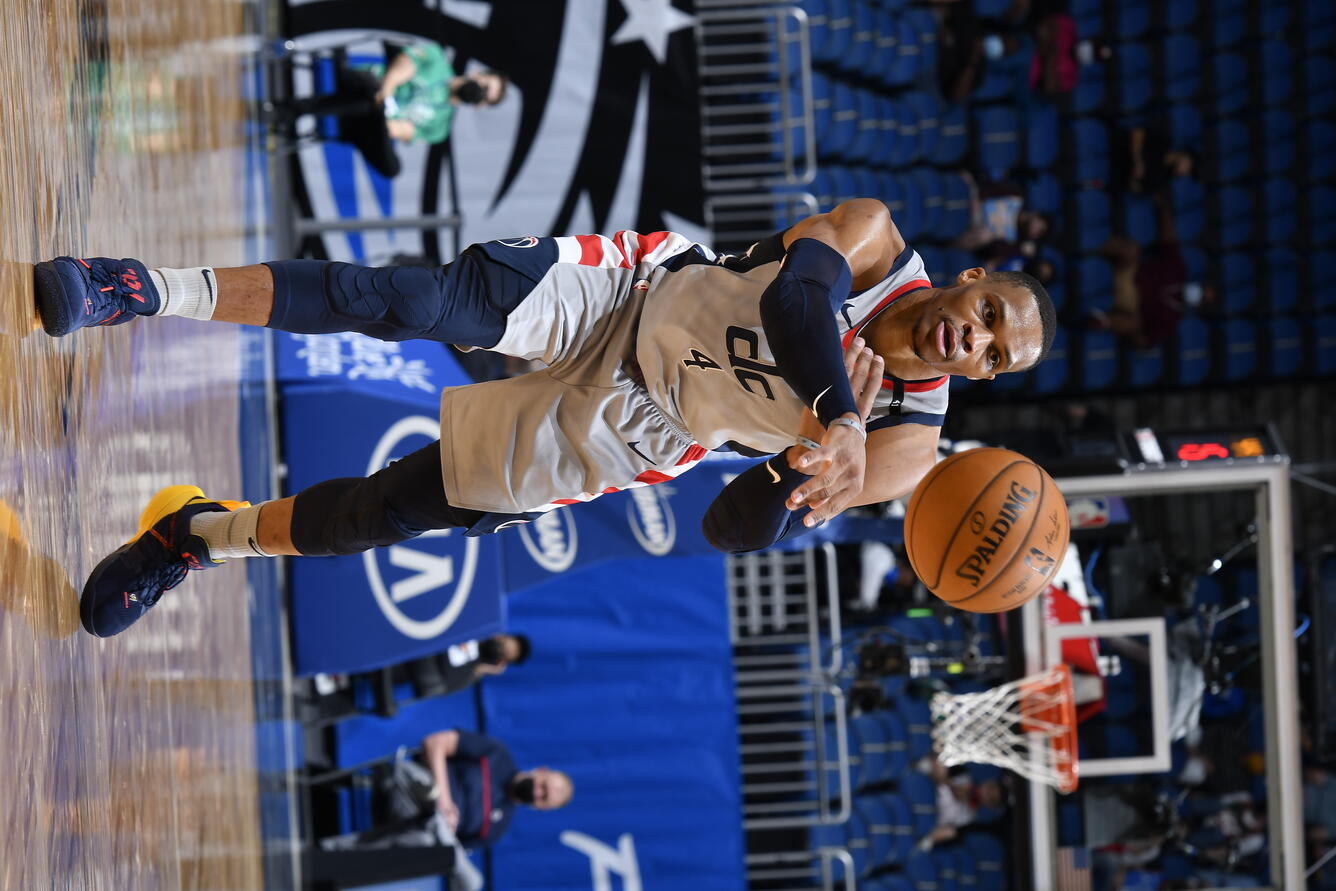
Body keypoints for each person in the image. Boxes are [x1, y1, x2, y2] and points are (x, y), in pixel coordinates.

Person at [32, 198, 1056, 638]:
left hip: (645, 426)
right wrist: (833, 411)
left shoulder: (909, 445)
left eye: (1002, 357)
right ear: (969, 281)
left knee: (388, 515)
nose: (983, 343)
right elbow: (798, 301)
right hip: (635, 297)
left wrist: (796, 474)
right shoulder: (875, 244)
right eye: (991, 316)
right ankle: (139, 287)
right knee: (414, 303)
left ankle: (194, 537)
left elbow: (728, 527)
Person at [319, 729, 572, 890]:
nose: (538, 791)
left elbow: (452, 848)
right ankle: (332, 851)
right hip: (414, 784)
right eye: (543, 786)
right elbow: (435, 742)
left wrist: (443, 826)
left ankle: (329, 857)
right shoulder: (496, 755)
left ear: (540, 808)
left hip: (418, 828)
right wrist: (444, 799)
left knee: (426, 841)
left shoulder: (498, 828)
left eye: (543, 797)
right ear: (541, 771)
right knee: (441, 844)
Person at [274, 41, 508, 178]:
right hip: (366, 84)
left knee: (392, 168)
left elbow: (402, 130)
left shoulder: (441, 125)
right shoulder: (437, 59)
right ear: (478, 74)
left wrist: (385, 118)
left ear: (480, 106)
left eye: (486, 97)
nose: (480, 92)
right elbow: (401, 68)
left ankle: (288, 110)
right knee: (369, 101)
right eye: (485, 86)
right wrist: (385, 94)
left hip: (373, 124)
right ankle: (287, 110)